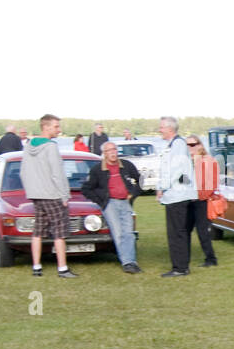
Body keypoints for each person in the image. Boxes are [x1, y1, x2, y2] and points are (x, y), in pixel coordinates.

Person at [21, 114, 77, 277]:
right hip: (52, 195)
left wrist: (30, 191)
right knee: (59, 232)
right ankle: (62, 268)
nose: (59, 130)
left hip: (36, 195)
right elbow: (57, 173)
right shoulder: (51, 147)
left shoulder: (28, 145)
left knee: (38, 231)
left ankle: (36, 267)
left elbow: (24, 172)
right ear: (46, 127)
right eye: (56, 126)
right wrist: (65, 195)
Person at [81, 141, 143, 273]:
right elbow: (87, 189)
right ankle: (128, 262)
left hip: (125, 202)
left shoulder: (126, 165)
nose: (113, 153)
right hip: (110, 204)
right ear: (104, 154)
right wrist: (101, 201)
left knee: (129, 233)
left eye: (114, 149)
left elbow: (140, 179)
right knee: (118, 233)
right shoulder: (97, 170)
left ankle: (131, 261)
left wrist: (133, 194)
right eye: (109, 150)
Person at [156, 116, 198, 277]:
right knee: (177, 231)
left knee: (176, 232)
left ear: (170, 129)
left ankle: (180, 268)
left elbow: (175, 170)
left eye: (161, 127)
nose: (160, 130)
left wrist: (162, 187)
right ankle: (180, 266)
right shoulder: (174, 144)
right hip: (174, 195)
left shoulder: (178, 145)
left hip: (177, 195)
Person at [187, 133, 219, 267]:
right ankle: (183, 258)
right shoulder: (186, 160)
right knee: (184, 230)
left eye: (193, 144)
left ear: (200, 145)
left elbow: (212, 183)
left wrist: (201, 196)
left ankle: (211, 259)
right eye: (187, 145)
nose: (190, 147)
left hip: (202, 201)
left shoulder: (208, 160)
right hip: (187, 200)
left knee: (202, 231)